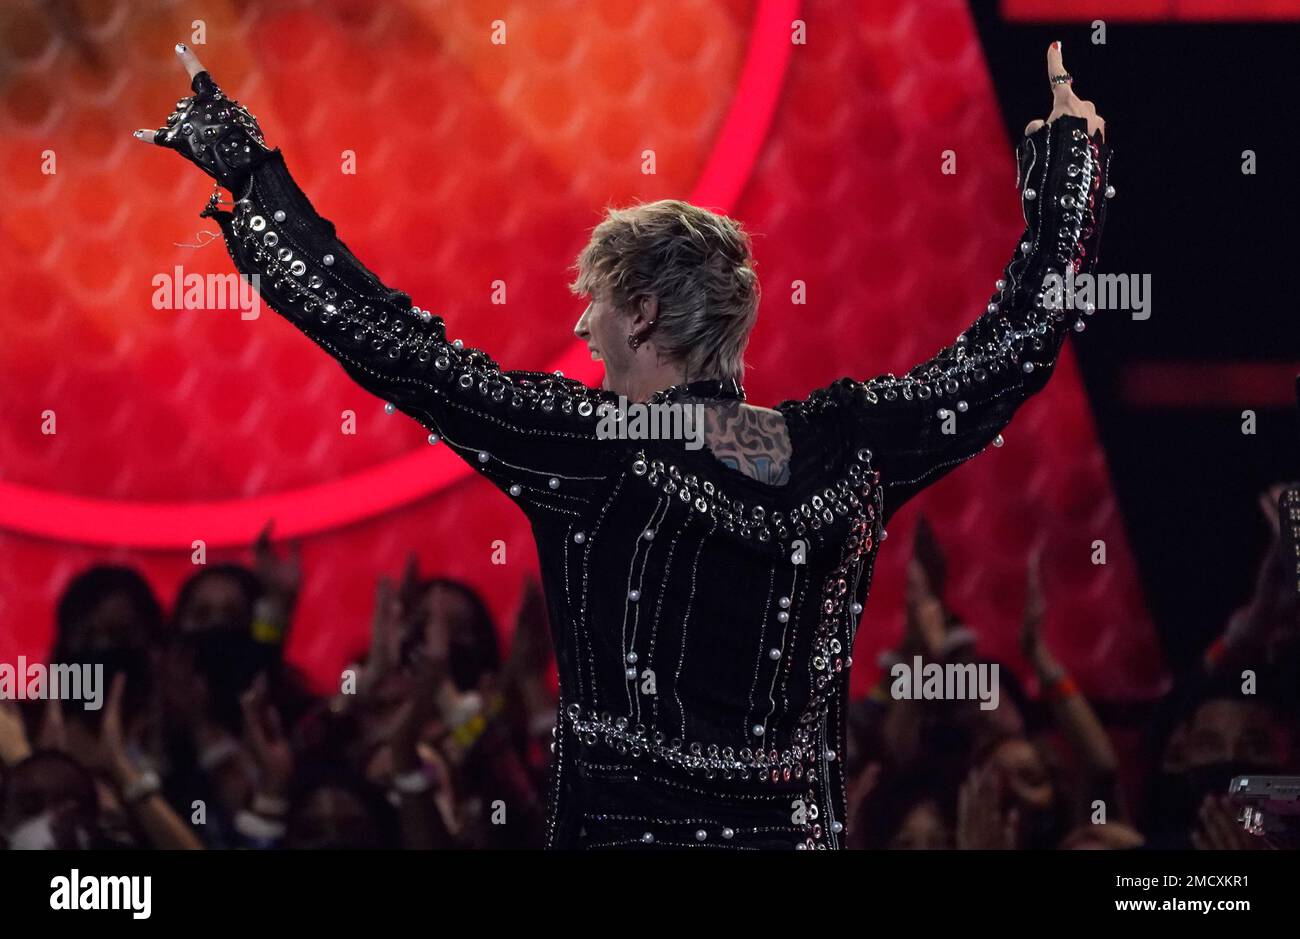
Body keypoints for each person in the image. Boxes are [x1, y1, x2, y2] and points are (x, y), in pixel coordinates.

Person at [136, 40, 1111, 849]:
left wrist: (252, 179)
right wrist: (1067, 181)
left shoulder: (592, 447)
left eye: (594, 305)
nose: (586, 330)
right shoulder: (850, 445)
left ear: (642, 314)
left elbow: (393, 346)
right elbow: (1010, 358)